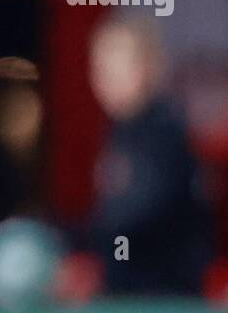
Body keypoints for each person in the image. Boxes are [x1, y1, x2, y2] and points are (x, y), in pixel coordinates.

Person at [84, 15, 212, 295]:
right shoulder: (120, 132)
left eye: (120, 68)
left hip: (164, 304)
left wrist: (66, 237)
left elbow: (138, 212)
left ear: (150, 67)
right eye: (101, 68)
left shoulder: (162, 132)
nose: (108, 80)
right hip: (128, 300)